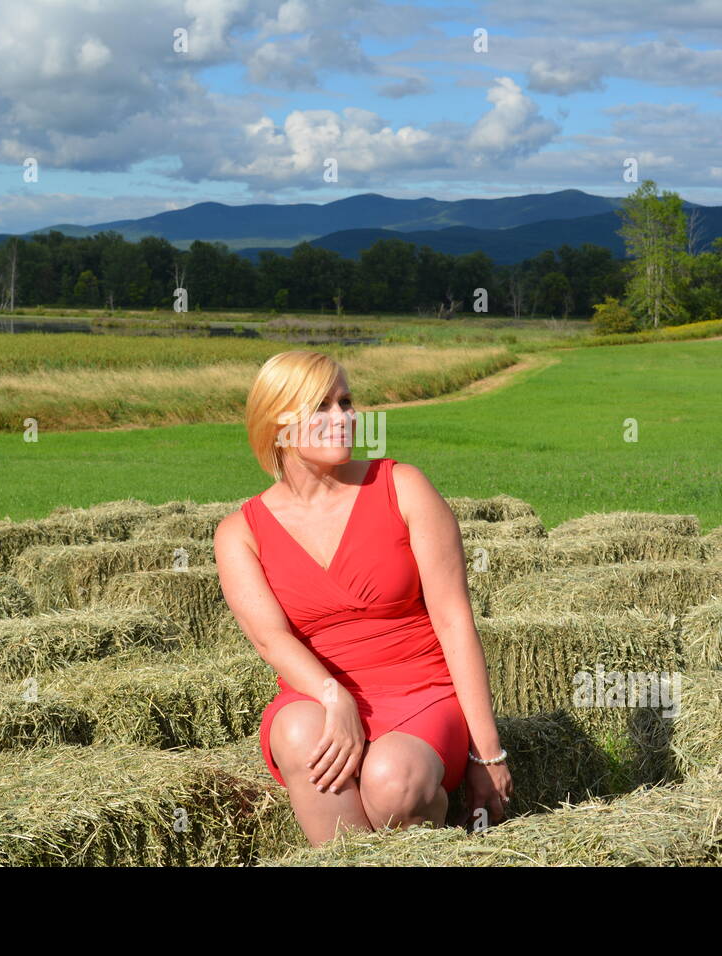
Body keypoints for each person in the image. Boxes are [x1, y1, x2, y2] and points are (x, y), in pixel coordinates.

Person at [214, 350, 513, 847]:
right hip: (320, 693)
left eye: (347, 401)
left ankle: (430, 816)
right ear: (278, 424)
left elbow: (455, 619)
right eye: (321, 406)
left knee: (393, 781)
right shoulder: (239, 532)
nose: (344, 418)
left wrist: (489, 752)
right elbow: (271, 640)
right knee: (297, 733)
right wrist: (334, 696)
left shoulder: (403, 486)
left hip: (421, 692)